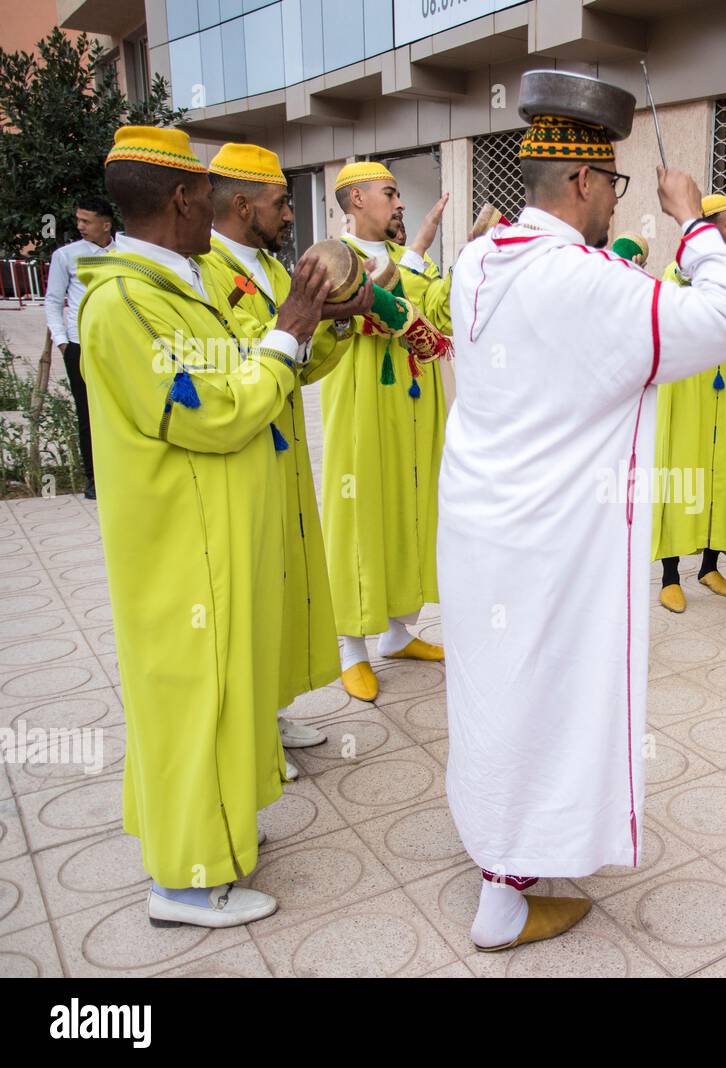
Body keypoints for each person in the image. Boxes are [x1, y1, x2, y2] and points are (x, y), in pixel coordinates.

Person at [440, 78, 726, 952]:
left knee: (493, 691)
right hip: (553, 541)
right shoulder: (584, 283)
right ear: (582, 182)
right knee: (545, 693)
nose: (617, 200)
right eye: (614, 187)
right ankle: (502, 898)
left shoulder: (477, 259)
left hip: (482, 527)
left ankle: (498, 839)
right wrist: (693, 220)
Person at [78, 126, 341, 927]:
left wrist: (306, 326)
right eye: (206, 193)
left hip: (217, 538)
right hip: (180, 551)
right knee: (191, 705)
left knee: (225, 696)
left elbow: (250, 366)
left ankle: (221, 840)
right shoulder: (124, 303)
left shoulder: (180, 283)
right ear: (187, 199)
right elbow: (215, 412)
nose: (218, 205)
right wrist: (288, 332)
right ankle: (183, 885)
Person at [199, 143, 371, 760]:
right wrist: (296, 323)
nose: (290, 215)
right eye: (279, 203)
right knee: (250, 594)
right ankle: (251, 743)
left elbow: (302, 367)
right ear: (242, 204)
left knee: (283, 583)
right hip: (242, 450)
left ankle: (270, 717)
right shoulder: (207, 272)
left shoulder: (277, 271)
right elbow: (247, 358)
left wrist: (339, 322)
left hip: (286, 450)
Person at [322, 163, 451, 701]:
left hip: (417, 410)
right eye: (390, 193)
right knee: (361, 515)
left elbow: (437, 314)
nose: (400, 204)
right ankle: (352, 647)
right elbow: (375, 314)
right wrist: (405, 293)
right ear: (355, 199)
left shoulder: (406, 261)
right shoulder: (331, 260)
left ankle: (397, 633)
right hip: (363, 406)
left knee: (412, 512)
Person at [653, 192, 726, 612]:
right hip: (689, 384)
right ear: (707, 229)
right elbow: (672, 305)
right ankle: (669, 575)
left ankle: (710, 566)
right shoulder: (678, 271)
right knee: (681, 471)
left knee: (724, 470)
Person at [45, 195, 115, 500]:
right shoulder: (67, 256)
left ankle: (123, 471)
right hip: (79, 346)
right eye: (78, 220)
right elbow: (52, 300)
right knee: (87, 413)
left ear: (106, 224)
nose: (80, 226)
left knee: (122, 410)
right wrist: (61, 341)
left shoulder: (127, 251)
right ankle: (94, 478)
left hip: (118, 345)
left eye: (86, 221)